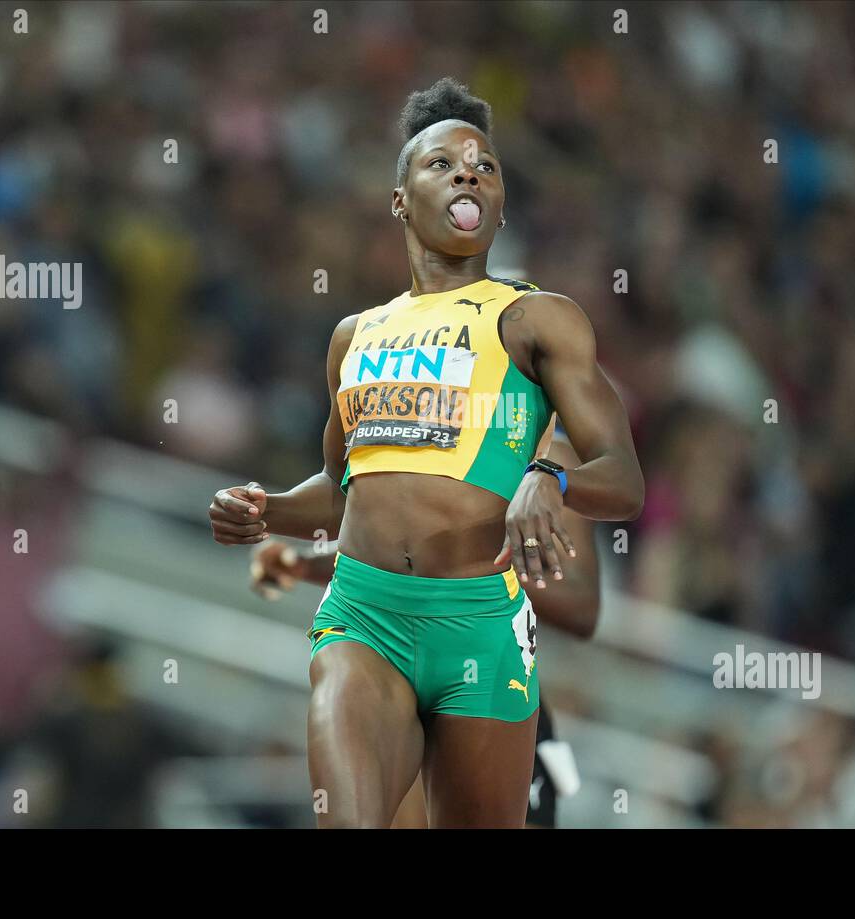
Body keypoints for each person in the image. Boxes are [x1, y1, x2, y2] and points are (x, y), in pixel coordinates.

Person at [209, 77, 643, 828]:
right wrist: (270, 510)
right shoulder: (355, 335)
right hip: (364, 617)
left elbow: (625, 478)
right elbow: (343, 491)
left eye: (485, 165)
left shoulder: (536, 318)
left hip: (480, 623)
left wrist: (550, 475)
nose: (468, 172)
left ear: (500, 205)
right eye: (442, 163)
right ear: (400, 199)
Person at [251, 429, 601, 827]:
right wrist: (302, 563)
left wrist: (472, 571)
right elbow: (390, 546)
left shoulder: (547, 453)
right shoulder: (417, 423)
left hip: (498, 687)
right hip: (403, 670)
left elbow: (581, 606)